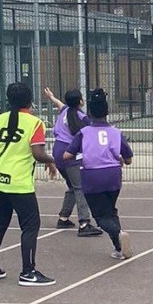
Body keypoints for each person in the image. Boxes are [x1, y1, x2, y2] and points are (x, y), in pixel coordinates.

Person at [0, 82, 58, 285]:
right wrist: (52, 161)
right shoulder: (34, 123)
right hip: (19, 182)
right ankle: (28, 272)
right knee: (31, 225)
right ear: (30, 100)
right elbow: (38, 154)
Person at [62, 88, 134, 261]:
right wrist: (117, 158)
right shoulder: (116, 132)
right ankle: (119, 248)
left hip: (92, 177)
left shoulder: (84, 133)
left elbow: (67, 155)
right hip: (113, 177)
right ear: (107, 112)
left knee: (101, 217)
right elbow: (129, 159)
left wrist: (84, 154)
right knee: (110, 211)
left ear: (90, 112)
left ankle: (119, 234)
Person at [43, 87, 96, 234]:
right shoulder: (82, 118)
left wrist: (51, 96)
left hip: (57, 153)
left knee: (73, 186)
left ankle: (64, 218)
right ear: (80, 101)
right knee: (80, 188)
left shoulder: (65, 111)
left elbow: (58, 103)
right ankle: (84, 223)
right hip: (70, 154)